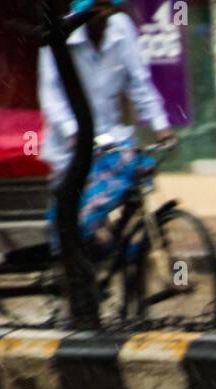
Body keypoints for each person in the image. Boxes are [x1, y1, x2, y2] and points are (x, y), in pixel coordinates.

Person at [38, 0, 175, 250]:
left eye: (108, 9)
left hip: (110, 137)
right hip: (70, 146)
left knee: (136, 170)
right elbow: (51, 96)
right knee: (78, 222)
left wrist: (160, 125)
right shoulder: (59, 36)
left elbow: (138, 82)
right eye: (97, 11)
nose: (104, 17)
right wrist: (74, 132)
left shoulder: (120, 28)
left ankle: (126, 250)